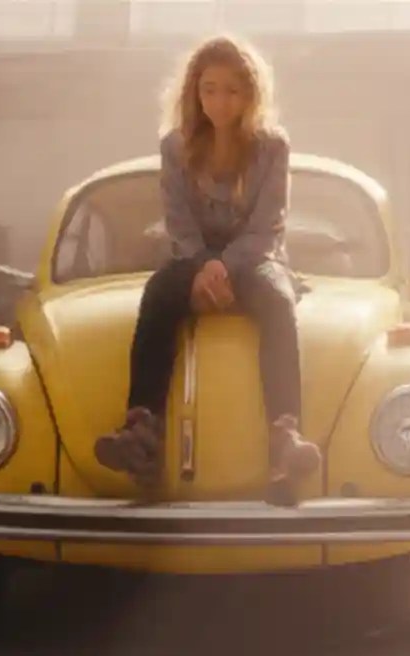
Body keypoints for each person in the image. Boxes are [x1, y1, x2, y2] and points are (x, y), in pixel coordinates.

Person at [94, 35, 321, 505]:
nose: (220, 101)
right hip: (191, 257)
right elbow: (177, 220)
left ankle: (284, 436)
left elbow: (268, 225)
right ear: (195, 92)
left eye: (233, 90)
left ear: (251, 95)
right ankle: (142, 431)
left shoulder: (272, 147)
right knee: (157, 296)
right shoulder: (175, 146)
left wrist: (224, 265)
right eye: (210, 88)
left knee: (278, 302)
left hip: (254, 256)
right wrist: (201, 264)